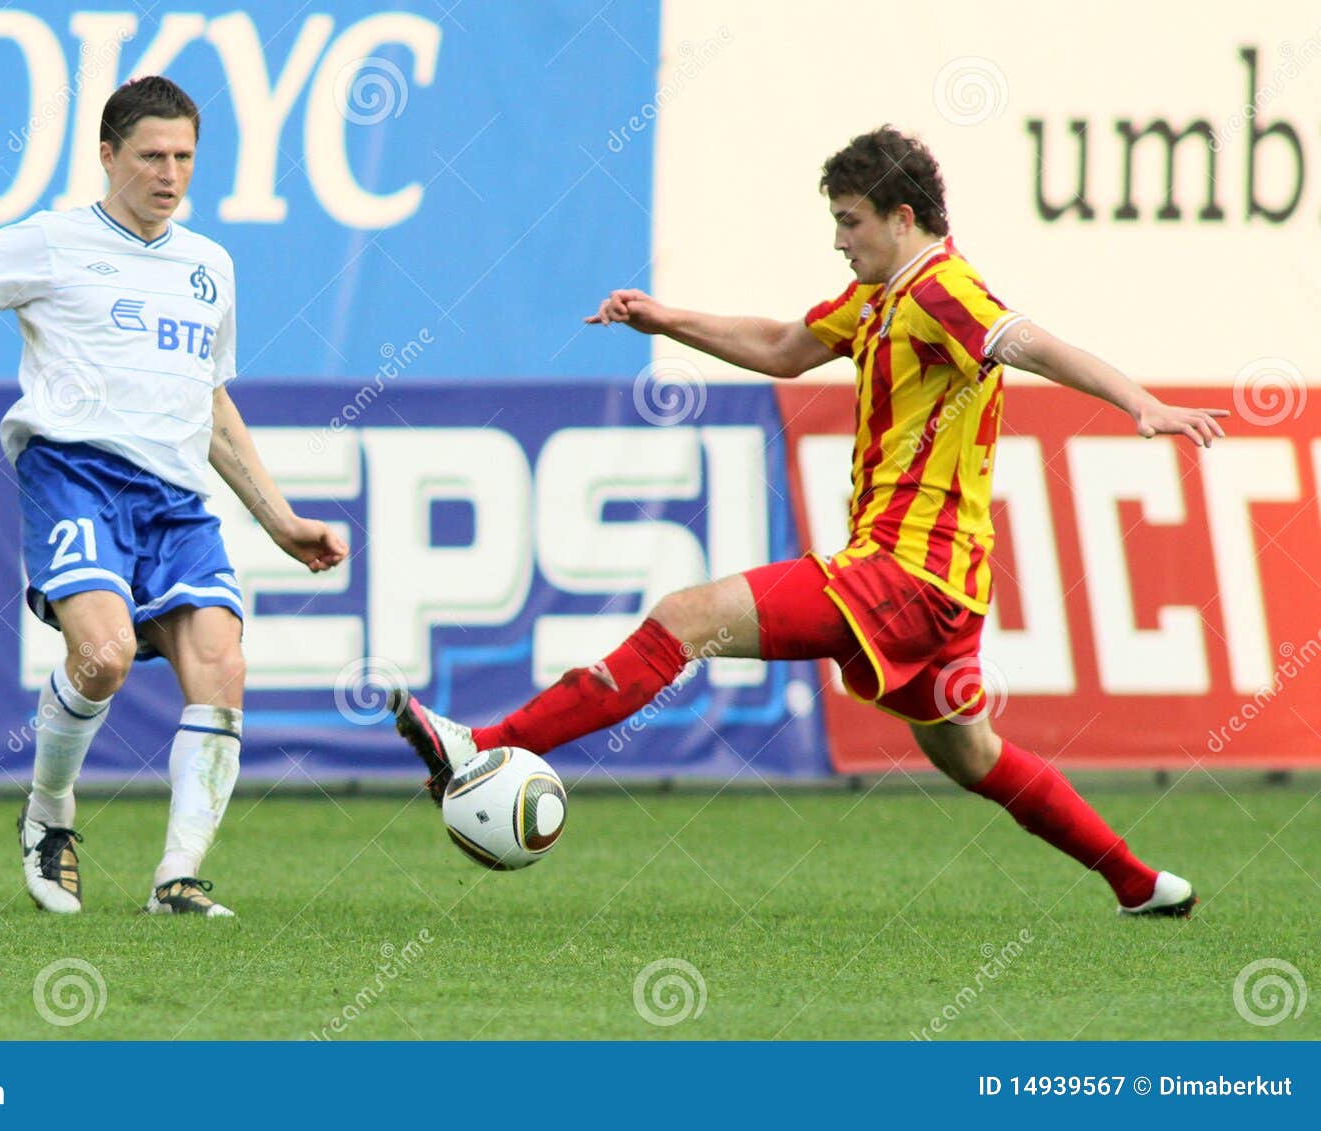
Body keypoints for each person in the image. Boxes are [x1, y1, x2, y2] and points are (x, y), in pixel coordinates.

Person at [391, 125, 1225, 917]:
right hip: (940, 587)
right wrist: (666, 319)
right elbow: (788, 346)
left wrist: (1139, 403)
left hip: (907, 572)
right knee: (972, 755)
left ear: (904, 218)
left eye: (849, 220)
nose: (839, 239)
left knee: (685, 618)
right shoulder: (879, 296)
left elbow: (1029, 342)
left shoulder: (942, 289)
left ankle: (484, 741)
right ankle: (1139, 882)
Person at [0, 76, 346, 917]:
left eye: (183, 158)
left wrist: (278, 519)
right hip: (76, 475)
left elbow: (207, 400)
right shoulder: (52, 243)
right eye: (150, 156)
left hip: (176, 498)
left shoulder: (210, 266)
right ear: (108, 155)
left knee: (224, 665)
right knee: (104, 656)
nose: (169, 174)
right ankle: (49, 814)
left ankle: (177, 881)